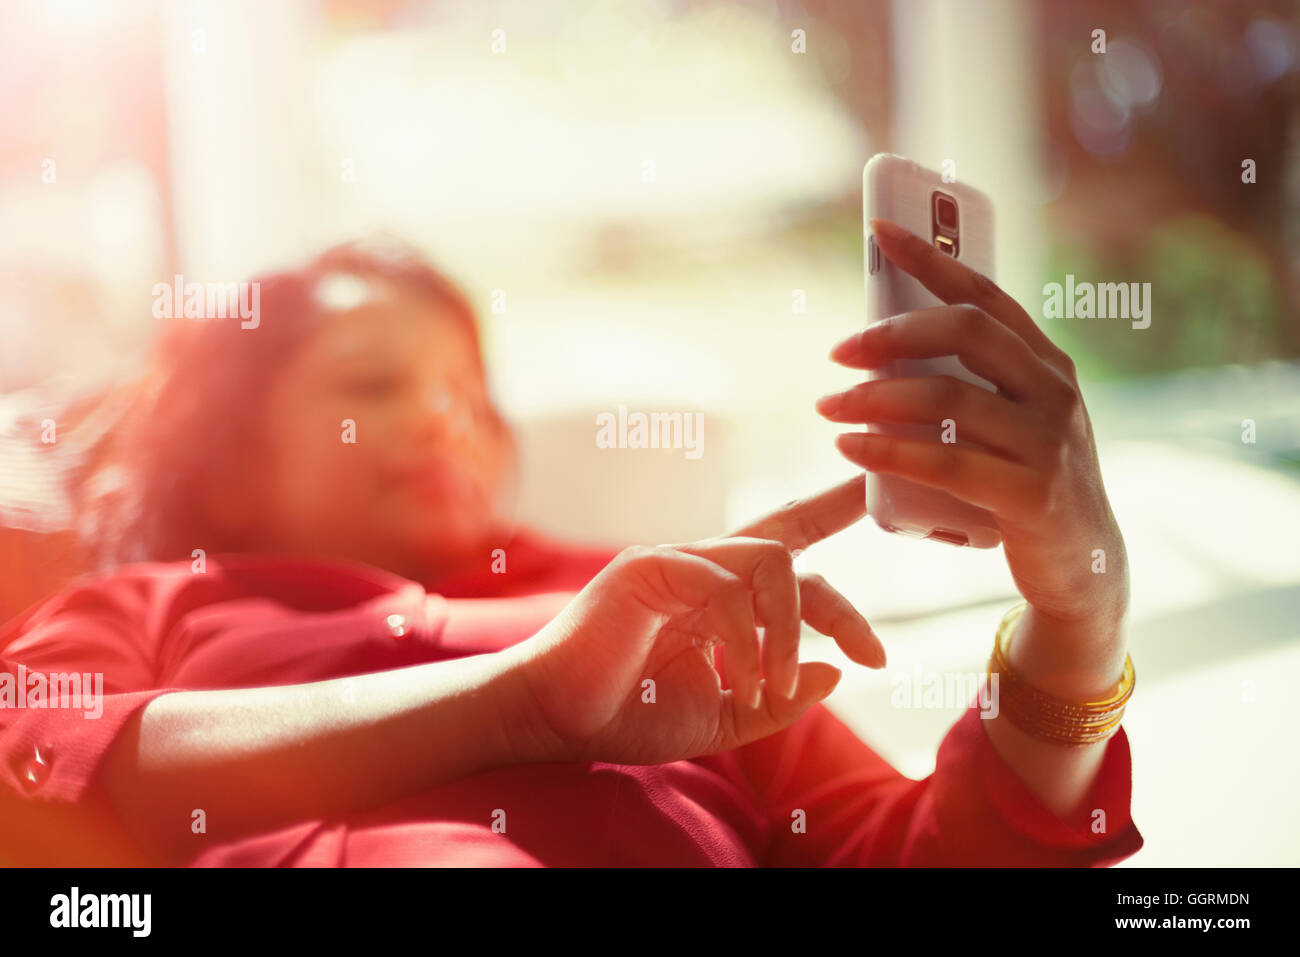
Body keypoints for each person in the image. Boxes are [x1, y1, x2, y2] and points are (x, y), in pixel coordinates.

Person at [0, 223, 1142, 866]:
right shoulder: (151, 607)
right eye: (374, 383)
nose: (448, 416)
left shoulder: (659, 602)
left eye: (469, 389)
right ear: (234, 465)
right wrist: (517, 703)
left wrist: (1078, 627)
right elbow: (39, 794)